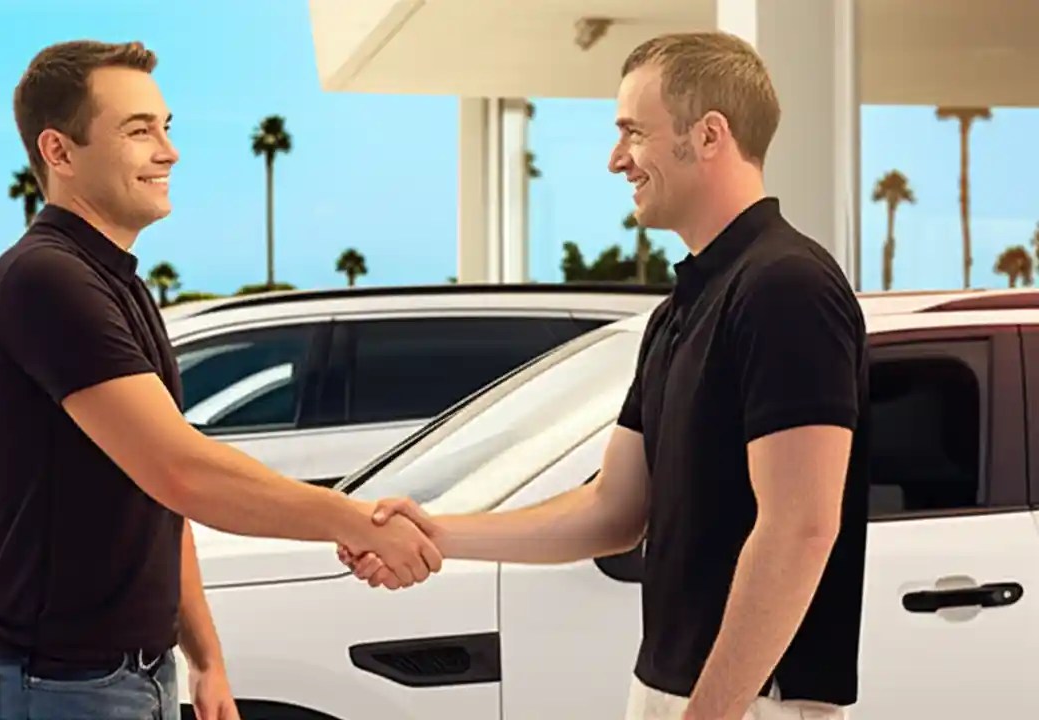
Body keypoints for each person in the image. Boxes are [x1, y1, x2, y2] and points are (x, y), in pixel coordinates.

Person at [340, 31, 870, 720]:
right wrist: (435, 533)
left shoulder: (786, 287)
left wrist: (709, 714)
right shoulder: (681, 309)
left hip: (749, 703)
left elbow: (800, 528)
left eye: (633, 133)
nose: (617, 159)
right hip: (675, 690)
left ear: (709, 135)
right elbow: (612, 510)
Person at [0, 40, 441, 720]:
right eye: (138, 131)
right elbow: (183, 472)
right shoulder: (47, 279)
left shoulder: (115, 281)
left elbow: (157, 494)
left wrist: (205, 657)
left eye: (165, 127)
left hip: (128, 675)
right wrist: (360, 523)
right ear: (59, 151)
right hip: (61, 688)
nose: (169, 152)